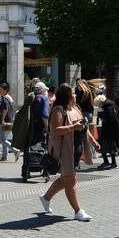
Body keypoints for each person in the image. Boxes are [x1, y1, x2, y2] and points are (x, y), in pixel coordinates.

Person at [37, 82, 92, 218]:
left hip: (76, 148)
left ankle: (45, 198)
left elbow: (84, 127)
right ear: (66, 95)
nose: (75, 95)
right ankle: (78, 211)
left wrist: (93, 141)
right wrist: (73, 128)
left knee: (65, 178)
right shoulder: (58, 110)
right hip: (65, 150)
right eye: (72, 93)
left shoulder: (76, 108)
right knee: (70, 179)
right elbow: (55, 130)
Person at [98, 92, 119, 169]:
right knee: (112, 146)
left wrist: (101, 114)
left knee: (103, 145)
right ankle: (113, 162)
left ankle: (106, 162)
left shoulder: (106, 108)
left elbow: (106, 119)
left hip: (107, 130)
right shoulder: (111, 105)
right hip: (113, 129)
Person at [0, 84, 17, 162]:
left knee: (2, 139)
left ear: (5, 90)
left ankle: (15, 150)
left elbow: (5, 109)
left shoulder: (5, 98)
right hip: (10, 119)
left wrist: (2, 119)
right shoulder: (9, 98)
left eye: (0, 89)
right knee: (4, 138)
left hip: (5, 120)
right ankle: (4, 156)